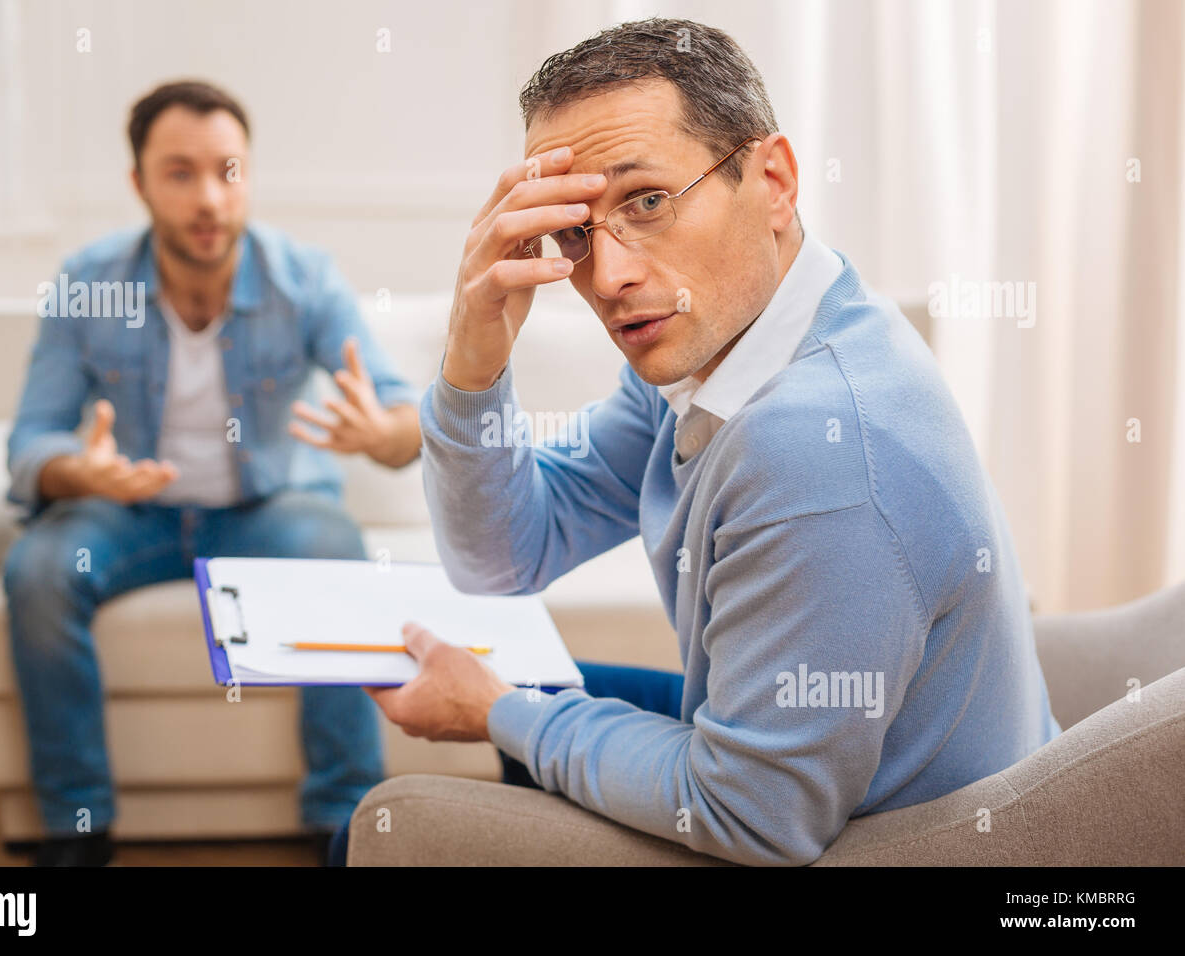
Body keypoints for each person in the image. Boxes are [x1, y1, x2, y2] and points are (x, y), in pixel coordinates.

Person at [332, 18, 1061, 866]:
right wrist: (472, 359)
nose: (606, 278)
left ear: (774, 180)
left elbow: (752, 816)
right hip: (810, 771)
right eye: (575, 229)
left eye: (647, 202)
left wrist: (500, 711)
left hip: (886, 843)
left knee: (379, 825)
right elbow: (501, 557)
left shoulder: (815, 447)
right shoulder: (733, 341)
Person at [5, 80, 421, 867]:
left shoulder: (305, 279)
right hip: (132, 511)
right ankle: (76, 830)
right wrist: (77, 472)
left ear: (249, 175)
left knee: (334, 553)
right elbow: (30, 439)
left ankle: (344, 823)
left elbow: (406, 423)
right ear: (139, 184)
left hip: (264, 511)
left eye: (228, 170)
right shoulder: (87, 282)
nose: (208, 198)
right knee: (39, 569)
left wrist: (381, 433)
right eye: (179, 172)